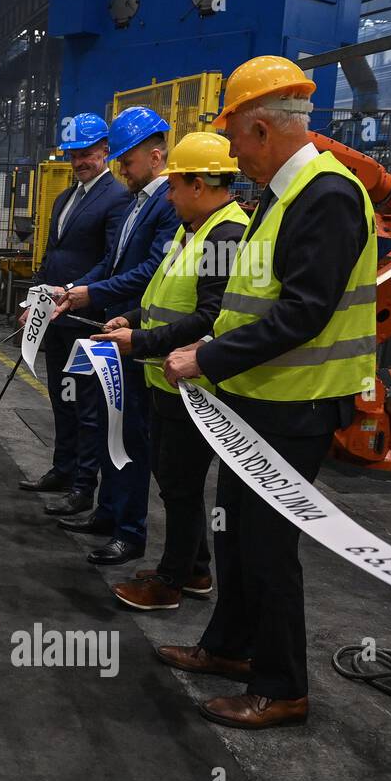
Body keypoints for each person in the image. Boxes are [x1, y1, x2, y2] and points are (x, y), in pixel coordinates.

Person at [158, 56, 376, 729]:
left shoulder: (326, 196)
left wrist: (207, 356)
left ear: (260, 128)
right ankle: (230, 647)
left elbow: (304, 312)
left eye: (235, 139)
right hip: (257, 401)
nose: (233, 157)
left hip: (295, 406)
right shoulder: (282, 197)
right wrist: (213, 350)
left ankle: (282, 686)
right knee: (236, 536)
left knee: (269, 548)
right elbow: (253, 301)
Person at [92, 132, 248, 610]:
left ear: (199, 185)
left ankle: (169, 582)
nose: (168, 196)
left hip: (194, 385)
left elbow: (211, 317)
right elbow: (164, 295)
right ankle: (195, 569)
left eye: (175, 186)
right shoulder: (192, 229)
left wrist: (141, 341)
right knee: (175, 482)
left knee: (180, 487)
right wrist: (132, 319)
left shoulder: (225, 236)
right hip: (166, 378)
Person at [52, 106, 181, 566]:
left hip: (139, 334)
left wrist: (93, 294)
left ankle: (130, 531)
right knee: (112, 428)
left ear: (156, 156)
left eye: (127, 159)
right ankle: (108, 512)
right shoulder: (137, 202)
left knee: (131, 438)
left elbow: (151, 271)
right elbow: (112, 262)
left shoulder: (168, 205)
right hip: (116, 327)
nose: (121, 167)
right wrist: (76, 291)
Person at [18, 113, 132, 520]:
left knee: (88, 406)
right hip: (56, 317)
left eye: (86, 153)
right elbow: (52, 254)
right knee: (61, 398)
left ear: (105, 151)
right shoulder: (65, 198)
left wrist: (73, 291)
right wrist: (35, 299)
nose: (79, 161)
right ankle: (62, 469)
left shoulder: (117, 197)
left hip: (87, 319)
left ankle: (84, 486)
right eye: (74, 154)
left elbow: (110, 260)